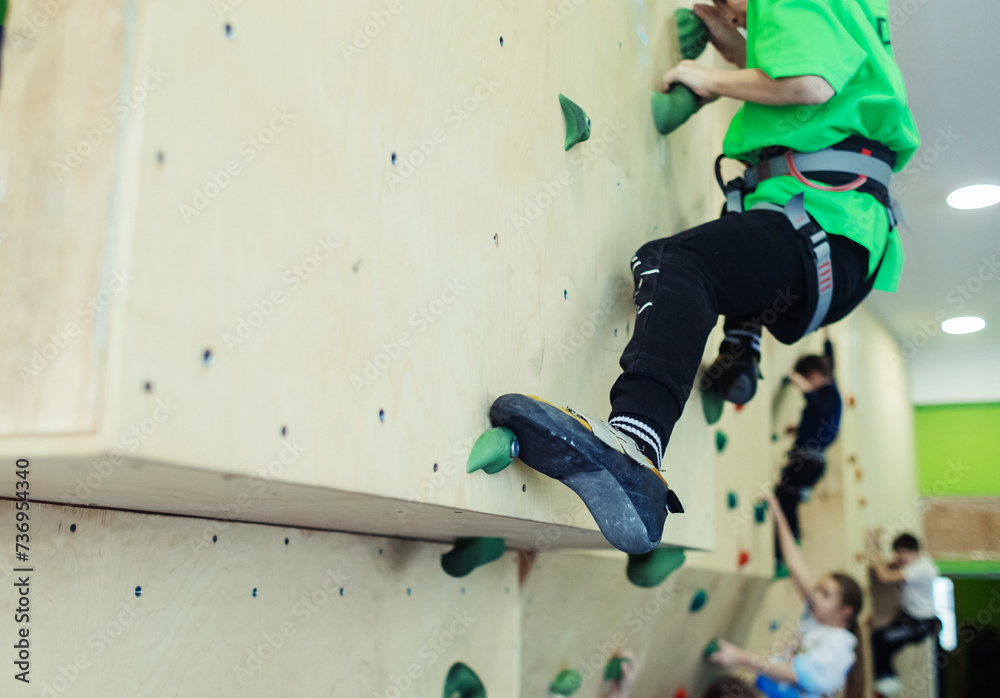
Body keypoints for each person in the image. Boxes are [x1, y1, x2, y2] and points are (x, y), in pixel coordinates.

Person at [488, 0, 919, 554]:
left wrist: (708, 80)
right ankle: (743, 344)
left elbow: (809, 82)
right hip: (841, 239)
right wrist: (733, 44)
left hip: (824, 219)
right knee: (728, 253)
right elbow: (811, 70)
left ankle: (638, 447)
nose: (728, 9)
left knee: (675, 263)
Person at [708, 492, 863, 698]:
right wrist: (778, 513)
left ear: (846, 611)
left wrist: (739, 657)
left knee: (724, 691)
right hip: (766, 689)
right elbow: (796, 567)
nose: (815, 596)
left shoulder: (839, 646)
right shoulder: (817, 616)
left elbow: (793, 674)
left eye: (825, 595)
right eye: (818, 590)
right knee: (724, 689)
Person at [774, 335, 840, 572]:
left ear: (812, 377)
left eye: (807, 381)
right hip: (811, 461)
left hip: (808, 461)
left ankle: (785, 554)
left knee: (783, 501)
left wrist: (799, 384)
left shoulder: (827, 394)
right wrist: (828, 341)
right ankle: (789, 549)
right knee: (786, 502)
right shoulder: (831, 387)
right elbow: (831, 363)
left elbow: (818, 405)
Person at [867, 532, 940, 696]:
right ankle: (887, 682)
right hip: (908, 619)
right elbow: (891, 565)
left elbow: (884, 577)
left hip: (919, 624)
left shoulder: (921, 568)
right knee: (882, 642)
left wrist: (874, 553)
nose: (898, 558)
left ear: (912, 551)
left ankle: (888, 683)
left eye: (900, 554)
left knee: (881, 639)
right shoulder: (917, 563)